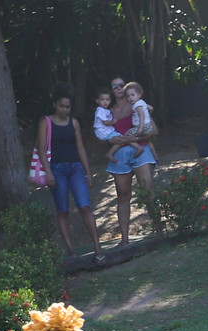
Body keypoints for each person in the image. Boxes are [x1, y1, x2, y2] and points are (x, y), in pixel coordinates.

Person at [37, 87, 99, 259]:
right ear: (55, 105)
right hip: (56, 169)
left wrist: (87, 171)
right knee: (62, 210)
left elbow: (80, 147)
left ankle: (97, 246)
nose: (65, 110)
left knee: (84, 206)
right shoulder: (46, 122)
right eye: (62, 106)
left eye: (68, 107)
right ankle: (71, 250)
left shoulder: (74, 123)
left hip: (75, 167)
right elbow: (41, 149)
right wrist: (48, 172)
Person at [100, 82, 158, 247]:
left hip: (140, 148)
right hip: (119, 153)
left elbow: (153, 130)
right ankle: (124, 238)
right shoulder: (106, 110)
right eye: (114, 86)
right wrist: (111, 140)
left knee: (148, 189)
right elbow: (101, 132)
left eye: (121, 85)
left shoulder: (137, 104)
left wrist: (135, 139)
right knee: (123, 194)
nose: (118, 88)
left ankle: (159, 230)